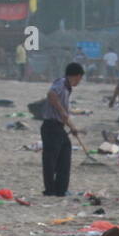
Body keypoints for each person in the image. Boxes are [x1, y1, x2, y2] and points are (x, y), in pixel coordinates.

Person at [40, 62, 83, 197]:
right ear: (77, 76)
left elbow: (63, 115)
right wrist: (62, 111)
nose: (79, 81)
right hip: (50, 126)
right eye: (80, 78)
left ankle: (61, 190)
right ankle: (50, 190)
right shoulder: (61, 83)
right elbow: (51, 94)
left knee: (64, 154)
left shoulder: (67, 88)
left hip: (58, 126)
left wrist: (72, 127)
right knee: (51, 160)